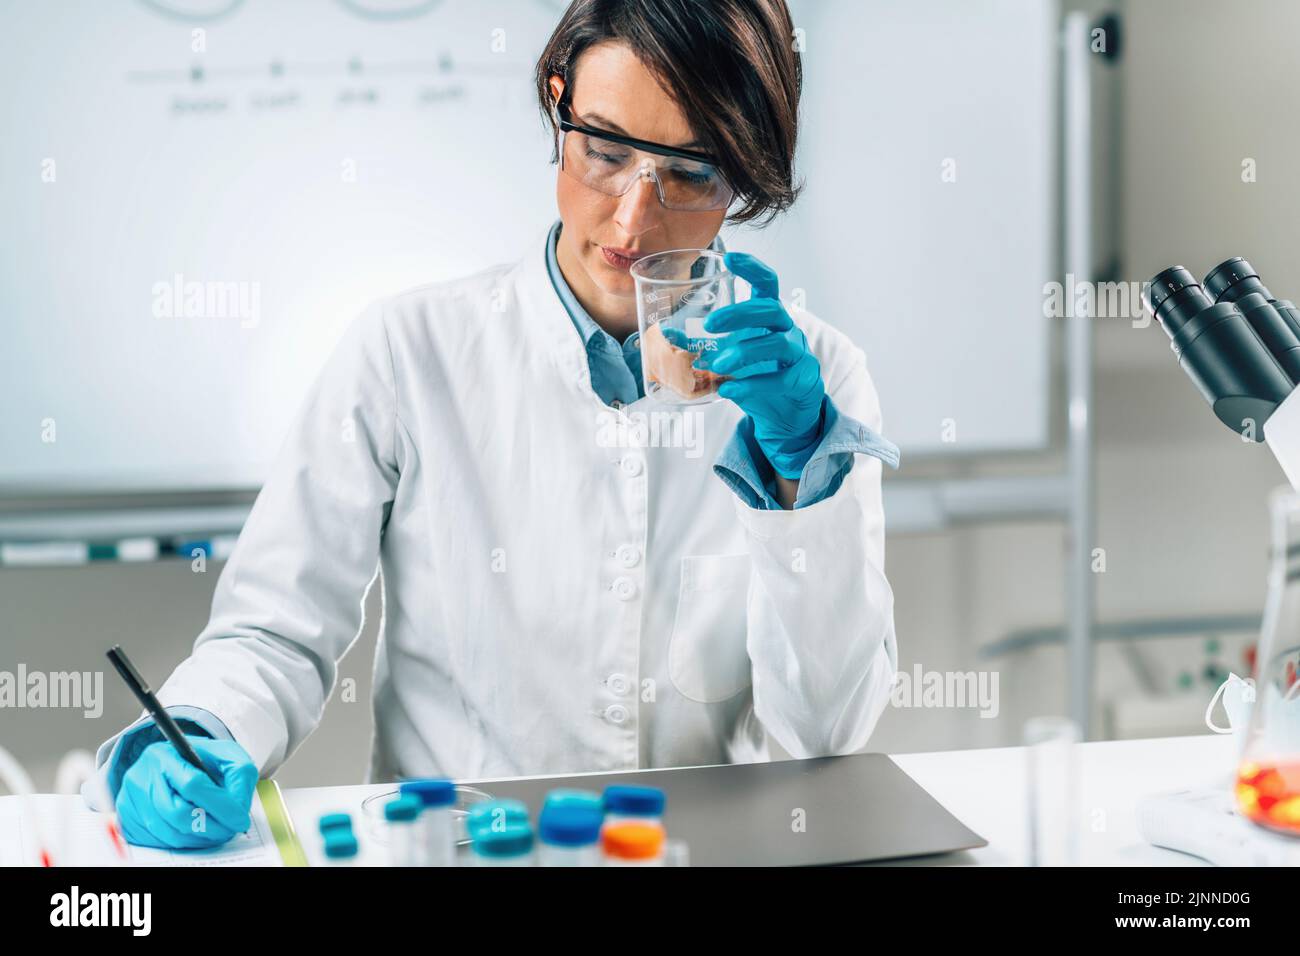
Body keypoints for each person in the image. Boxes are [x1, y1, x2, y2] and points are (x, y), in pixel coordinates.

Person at [89, 0, 902, 849]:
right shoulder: (408, 350)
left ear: (745, 173)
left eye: (693, 172)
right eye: (605, 150)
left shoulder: (816, 380)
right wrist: (199, 729)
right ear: (558, 103)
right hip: (453, 852)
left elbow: (827, 735)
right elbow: (273, 630)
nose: (633, 221)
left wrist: (800, 460)